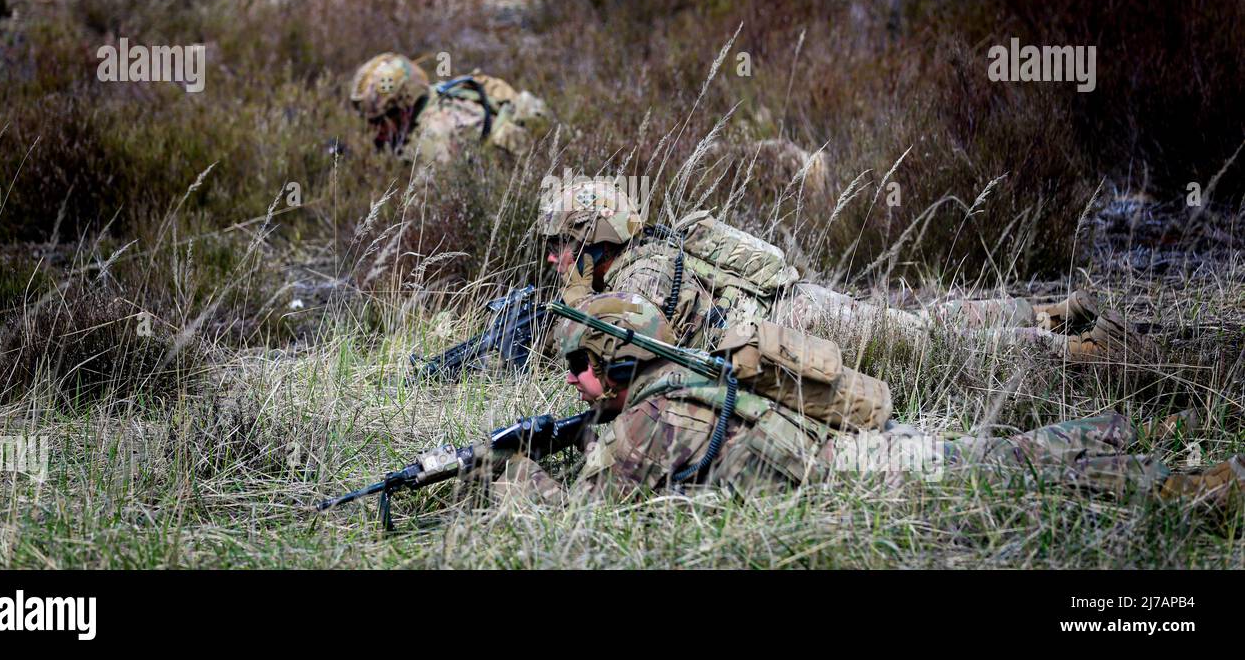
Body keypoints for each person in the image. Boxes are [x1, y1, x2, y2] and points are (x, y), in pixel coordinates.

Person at [492, 292, 1241, 516]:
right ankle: (1154, 429)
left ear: (621, 357)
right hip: (863, 457)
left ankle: (1198, 487)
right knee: (1014, 459)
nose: (573, 379)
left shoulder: (643, 425)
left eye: (582, 365)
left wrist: (508, 475)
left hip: (871, 478)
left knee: (1028, 478)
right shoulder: (675, 384)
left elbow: (575, 527)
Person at [535, 178, 1143, 361]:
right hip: (797, 310)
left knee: (933, 346)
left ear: (594, 240)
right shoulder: (650, 255)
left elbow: (634, 349)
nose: (557, 260)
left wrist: (571, 323)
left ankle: (1085, 351)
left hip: (797, 325)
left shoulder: (637, 278)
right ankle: (1047, 313)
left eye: (563, 246)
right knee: (924, 325)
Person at [348, 52, 553, 168]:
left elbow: (426, 211)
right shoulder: (436, 92)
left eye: (379, 122)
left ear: (403, 109)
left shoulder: (433, 137)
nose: (375, 130)